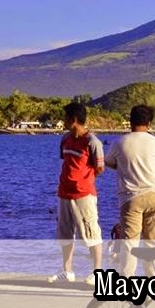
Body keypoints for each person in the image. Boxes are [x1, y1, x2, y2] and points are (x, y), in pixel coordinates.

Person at [105, 105, 155, 277]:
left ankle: (126, 281)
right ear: (149, 123)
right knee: (153, 243)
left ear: (130, 121)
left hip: (130, 198)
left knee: (130, 243)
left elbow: (109, 162)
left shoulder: (119, 143)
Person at [49, 102, 104, 285]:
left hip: (84, 195)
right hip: (64, 193)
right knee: (64, 233)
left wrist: (83, 180)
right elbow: (66, 162)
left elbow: (100, 168)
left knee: (91, 232)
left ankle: (97, 272)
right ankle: (68, 271)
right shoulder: (65, 139)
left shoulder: (92, 142)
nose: (62, 121)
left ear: (73, 120)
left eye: (65, 118)